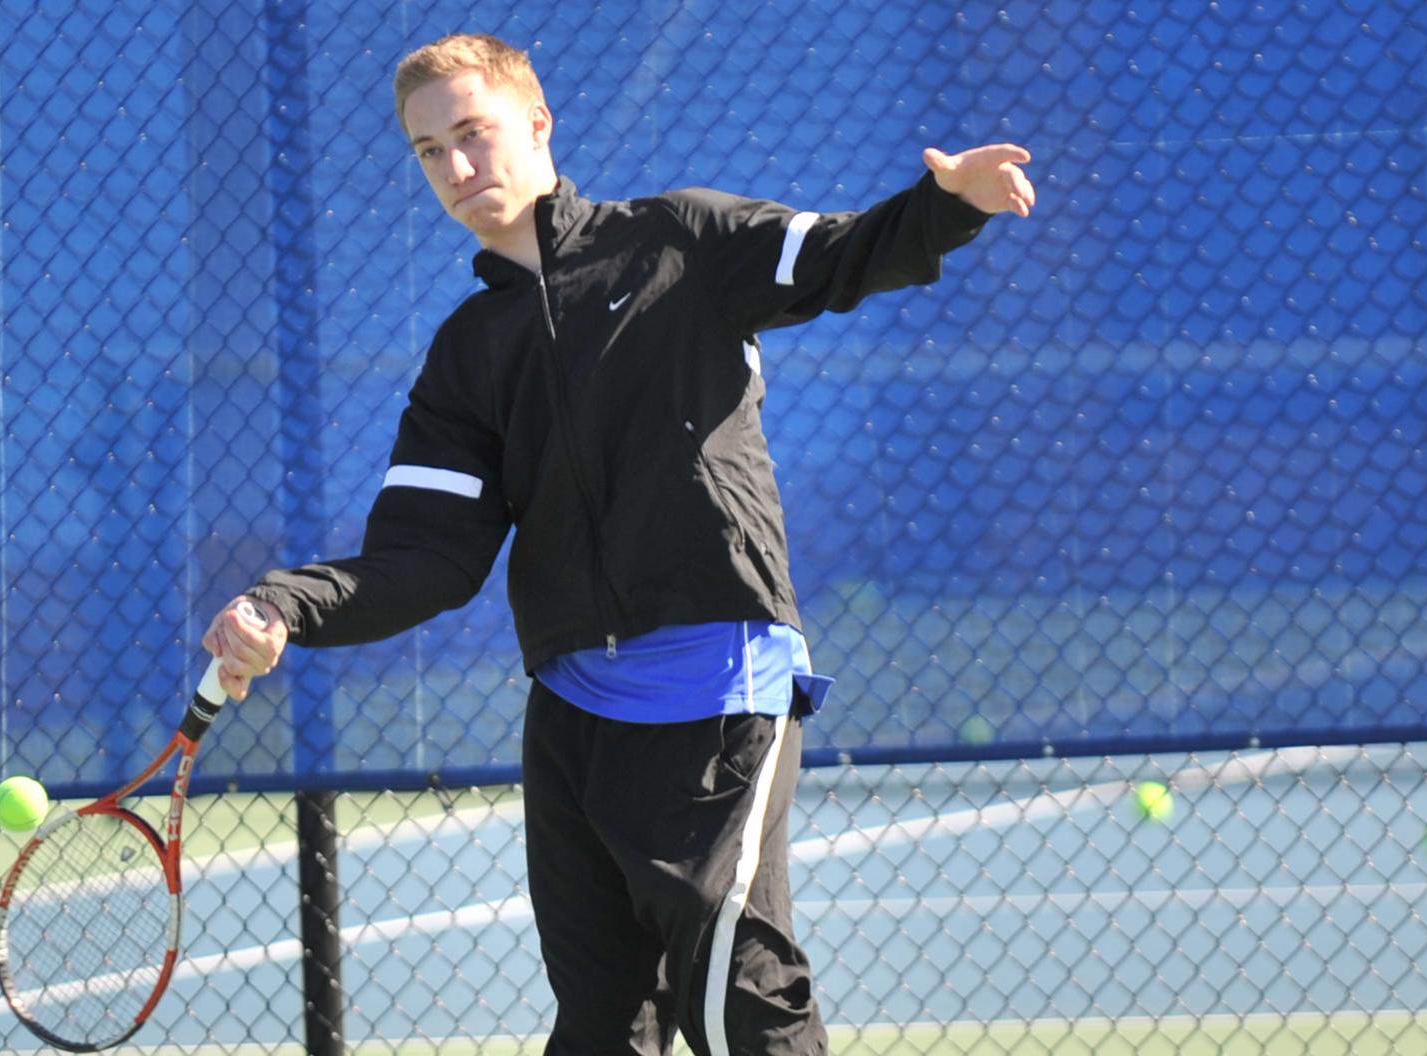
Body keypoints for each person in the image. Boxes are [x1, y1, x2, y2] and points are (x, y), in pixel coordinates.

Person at [204, 32, 1034, 1056]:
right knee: (602, 1023)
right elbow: (425, 556)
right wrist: (286, 604)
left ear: (538, 124)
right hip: (571, 721)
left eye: (474, 134)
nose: (456, 169)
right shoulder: (467, 352)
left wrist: (947, 207)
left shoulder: (680, 241)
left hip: (717, 688)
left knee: (738, 1003)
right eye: (430, 152)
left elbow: (835, 257)